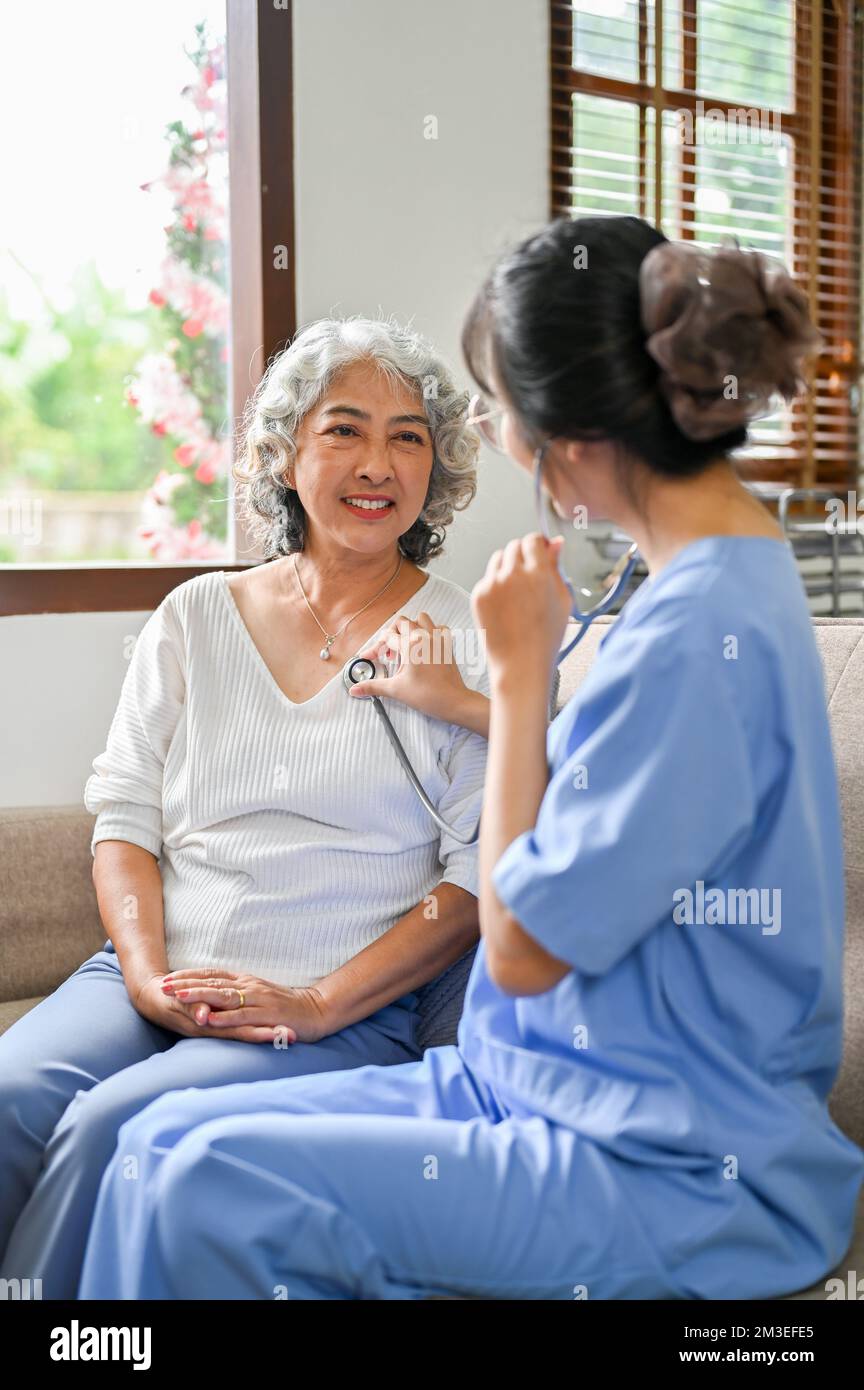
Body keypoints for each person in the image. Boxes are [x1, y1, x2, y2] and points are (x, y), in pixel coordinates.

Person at [77, 216, 864, 1301]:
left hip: (665, 1162)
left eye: (493, 409)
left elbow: (528, 946)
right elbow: (634, 803)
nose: (488, 436)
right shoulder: (724, 576)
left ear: (574, 431)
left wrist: (523, 667)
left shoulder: (692, 636)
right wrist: (479, 695)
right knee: (156, 1144)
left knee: (198, 1177)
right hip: (535, 1089)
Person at [0, 317, 488, 1299]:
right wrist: (143, 974)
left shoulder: (462, 636)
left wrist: (313, 1004)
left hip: (333, 1002)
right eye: (344, 428)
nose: (377, 463)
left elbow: (476, 877)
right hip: (156, 970)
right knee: (9, 1095)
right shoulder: (195, 614)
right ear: (284, 451)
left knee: (117, 1132)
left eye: (409, 436)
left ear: (436, 469)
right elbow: (126, 816)